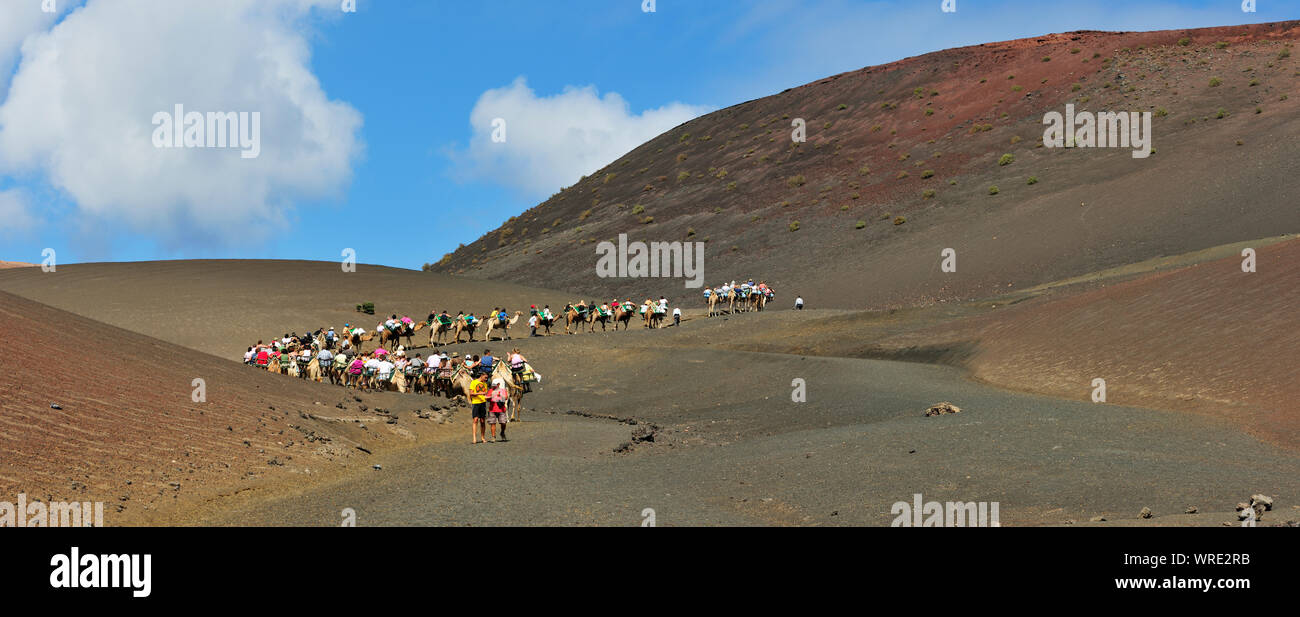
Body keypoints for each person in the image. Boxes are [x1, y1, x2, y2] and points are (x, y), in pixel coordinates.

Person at [470, 373, 490, 443]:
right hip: (475, 403)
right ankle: (474, 438)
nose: (486, 379)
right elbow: (471, 393)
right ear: (481, 376)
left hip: (483, 403)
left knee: (482, 421)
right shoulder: (474, 382)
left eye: (487, 378)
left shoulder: (485, 384)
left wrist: (490, 397)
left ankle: (483, 437)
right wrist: (480, 393)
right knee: (475, 420)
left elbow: (485, 395)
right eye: (485, 377)